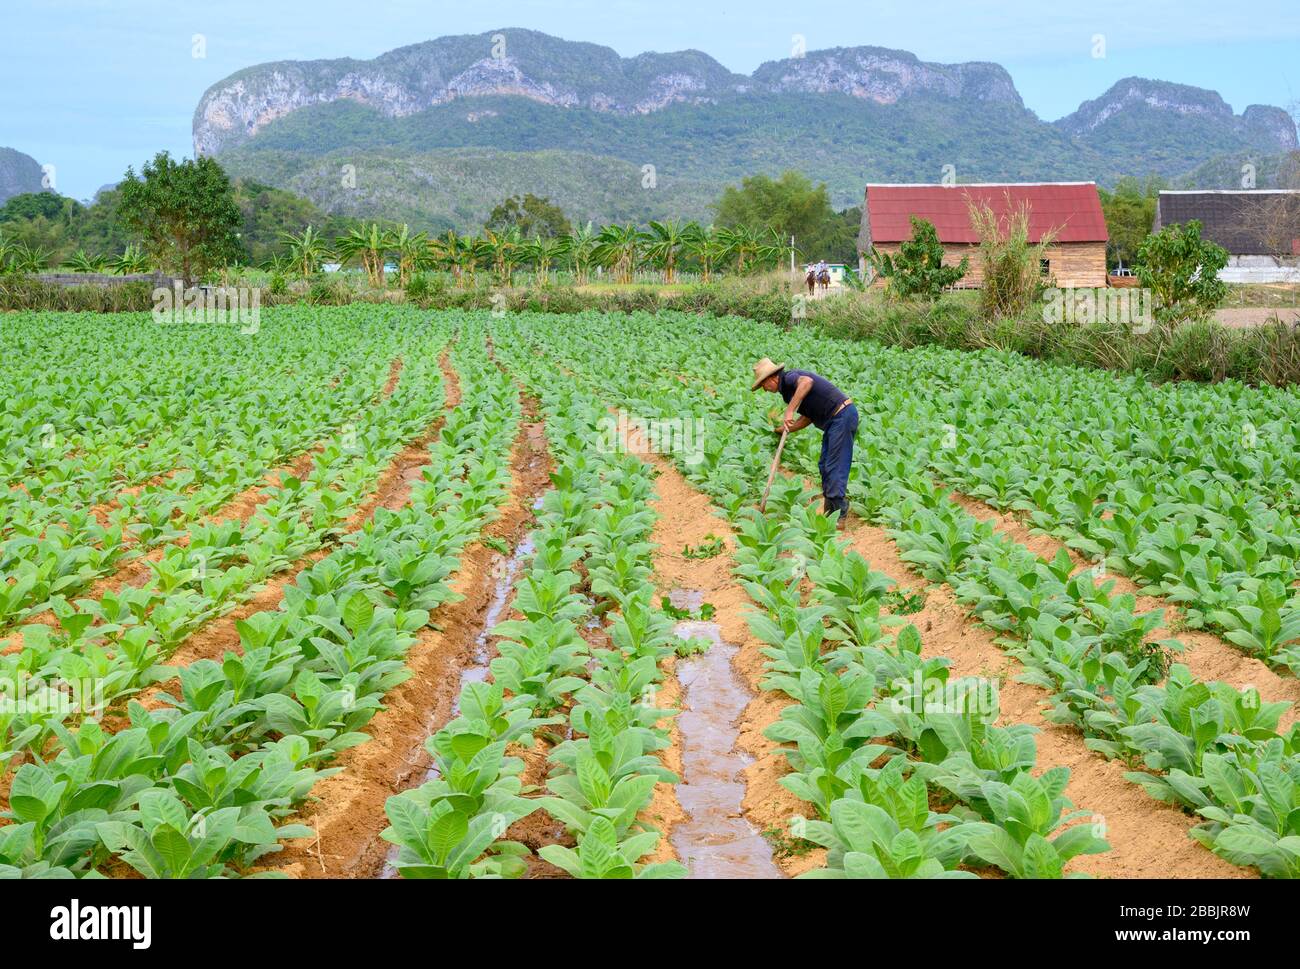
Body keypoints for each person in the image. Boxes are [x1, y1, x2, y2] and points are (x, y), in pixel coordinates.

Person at [751, 357, 858, 528]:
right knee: (824, 465)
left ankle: (840, 514)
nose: (764, 389)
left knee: (834, 466)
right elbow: (808, 416)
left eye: (763, 385)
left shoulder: (790, 378)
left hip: (842, 416)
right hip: (834, 421)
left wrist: (789, 411)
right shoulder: (787, 392)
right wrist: (785, 429)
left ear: (771, 378)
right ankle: (830, 513)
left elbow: (807, 382)